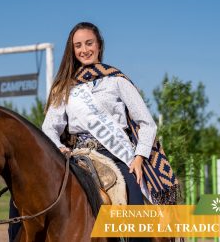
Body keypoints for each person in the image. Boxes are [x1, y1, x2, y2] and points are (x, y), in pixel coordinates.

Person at [41, 22, 157, 241]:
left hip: (117, 153)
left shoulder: (116, 80)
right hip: (79, 155)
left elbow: (147, 123)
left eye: (89, 43)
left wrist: (139, 157)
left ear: (99, 45)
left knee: (136, 214)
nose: (84, 50)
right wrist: (60, 148)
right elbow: (49, 127)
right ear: (72, 50)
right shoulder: (64, 87)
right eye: (78, 45)